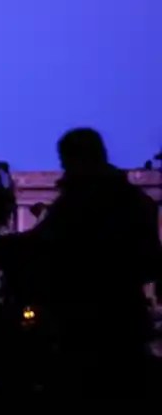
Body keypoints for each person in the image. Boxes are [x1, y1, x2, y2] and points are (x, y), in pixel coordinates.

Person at [21, 128, 161, 404]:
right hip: (123, 319)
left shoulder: (77, 202)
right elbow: (151, 263)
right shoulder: (136, 201)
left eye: (65, 161)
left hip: (83, 323)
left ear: (78, 159)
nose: (63, 169)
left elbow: (41, 244)